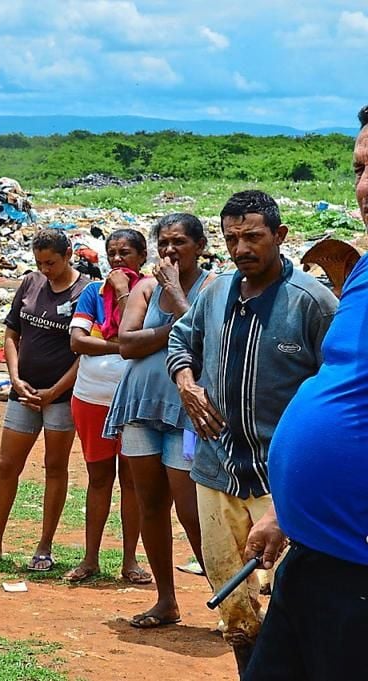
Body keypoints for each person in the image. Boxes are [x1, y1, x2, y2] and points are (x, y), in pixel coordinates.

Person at [167, 191, 337, 675]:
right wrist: (187, 384)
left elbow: (340, 385)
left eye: (253, 237)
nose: (242, 248)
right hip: (216, 469)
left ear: (280, 237)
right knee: (235, 611)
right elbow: (181, 339)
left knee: (295, 604)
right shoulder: (215, 294)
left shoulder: (312, 303)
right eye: (232, 238)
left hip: (283, 484)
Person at [241, 107, 368, 681]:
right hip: (312, 557)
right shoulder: (364, 273)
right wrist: (283, 510)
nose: (364, 187)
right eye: (360, 168)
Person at [0, 228, 88, 571]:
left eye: (52, 263)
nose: (46, 270)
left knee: (55, 468)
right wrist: (14, 378)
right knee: (6, 466)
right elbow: (12, 334)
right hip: (24, 392)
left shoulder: (85, 291)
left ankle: (44, 547)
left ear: (68, 254)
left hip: (60, 396)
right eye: (40, 263)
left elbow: (84, 352)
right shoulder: (30, 284)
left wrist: (55, 392)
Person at [105, 214, 212, 628]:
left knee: (191, 510)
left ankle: (229, 600)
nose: (170, 252)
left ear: (199, 246)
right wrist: (177, 329)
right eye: (164, 243)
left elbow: (207, 342)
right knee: (150, 505)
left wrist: (172, 298)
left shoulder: (213, 288)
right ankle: (165, 600)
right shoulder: (144, 288)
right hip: (140, 408)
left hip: (187, 414)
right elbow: (126, 344)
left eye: (180, 243)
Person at [64, 229, 149, 585]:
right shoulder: (91, 293)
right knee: (99, 479)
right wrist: (122, 347)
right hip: (92, 398)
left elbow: (145, 334)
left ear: (142, 256)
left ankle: (130, 560)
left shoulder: (150, 291)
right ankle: (90, 558)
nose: (117, 260)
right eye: (111, 253)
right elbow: (77, 342)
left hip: (134, 400)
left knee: (133, 481)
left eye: (125, 253)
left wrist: (124, 292)